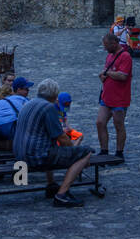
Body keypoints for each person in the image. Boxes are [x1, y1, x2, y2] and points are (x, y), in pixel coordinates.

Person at [12, 78, 92, 208]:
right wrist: (74, 153)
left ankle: (51, 185)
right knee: (86, 152)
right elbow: (61, 137)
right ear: (55, 95)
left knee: (49, 145)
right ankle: (61, 195)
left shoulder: (29, 103)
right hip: (35, 157)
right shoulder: (48, 108)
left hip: (19, 155)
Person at [96, 32, 132, 158]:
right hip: (106, 97)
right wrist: (104, 75)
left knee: (119, 125)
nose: (105, 48)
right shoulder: (110, 56)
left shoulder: (125, 56)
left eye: (106, 45)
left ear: (114, 43)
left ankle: (119, 152)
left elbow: (123, 76)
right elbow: (106, 74)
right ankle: (104, 151)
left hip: (119, 98)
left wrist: (108, 73)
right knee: (100, 122)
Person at [0, 77, 31, 150]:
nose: (28, 91)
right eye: (26, 89)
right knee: (20, 150)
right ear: (19, 89)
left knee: (1, 150)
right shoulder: (25, 100)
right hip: (8, 126)